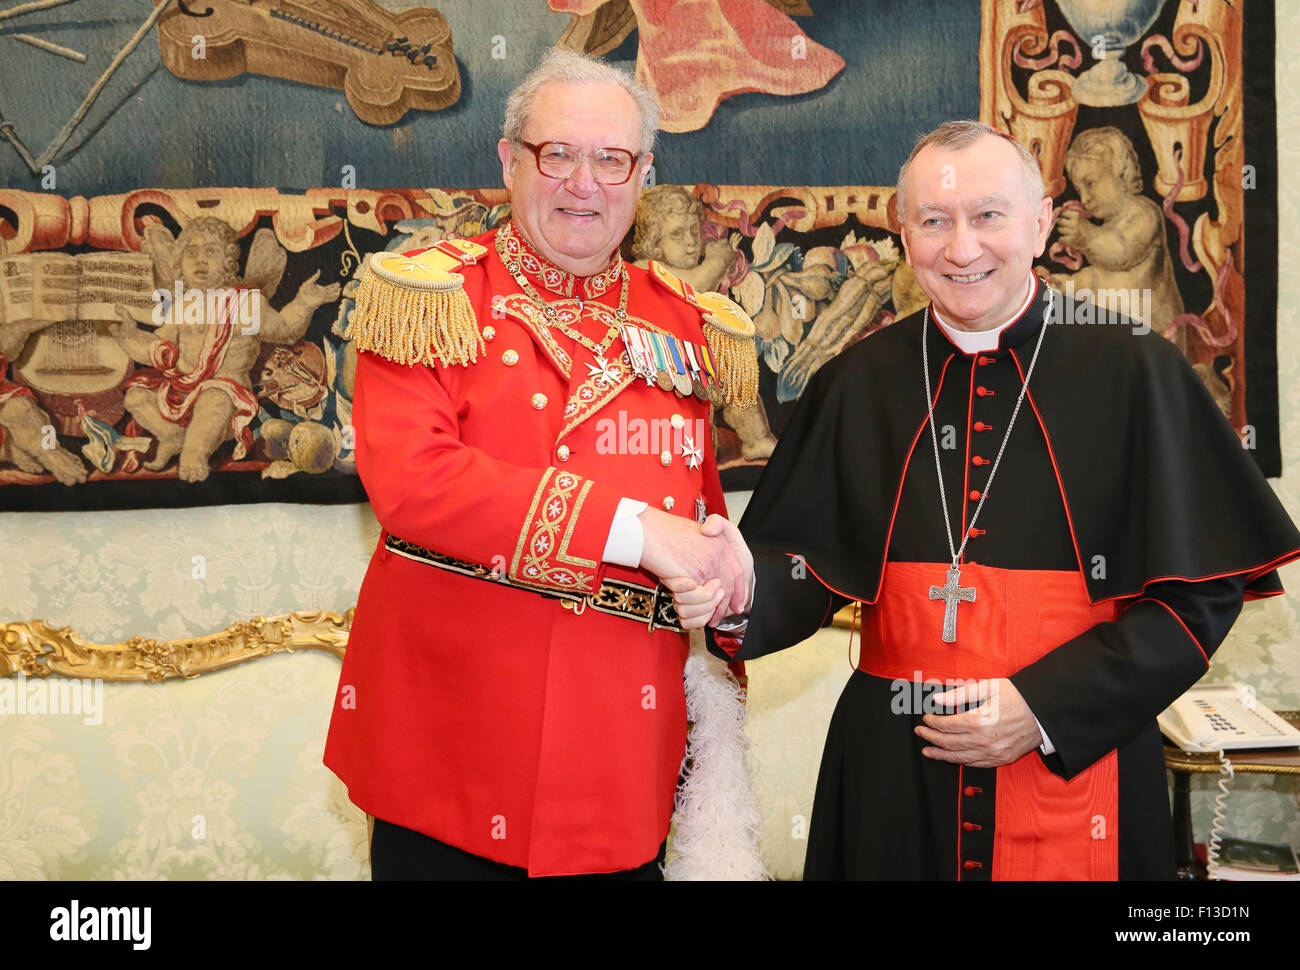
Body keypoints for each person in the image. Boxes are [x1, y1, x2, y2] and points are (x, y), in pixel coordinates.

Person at [676, 120, 1300, 880]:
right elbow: (801, 568)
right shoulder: (858, 382)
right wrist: (736, 588)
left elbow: (1197, 598)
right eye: (935, 222)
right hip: (894, 769)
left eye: (989, 217)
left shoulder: (1138, 374)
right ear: (905, 238)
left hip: (1080, 752)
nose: (962, 248)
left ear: (1040, 224)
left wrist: (1044, 706)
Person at [323, 48, 760, 880]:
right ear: (508, 161)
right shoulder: (431, 298)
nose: (583, 183)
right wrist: (635, 531)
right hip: (449, 764)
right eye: (556, 154)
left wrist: (723, 580)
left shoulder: (687, 324)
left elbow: (697, 514)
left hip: (622, 773)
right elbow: (414, 486)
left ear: (644, 174)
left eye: (611, 160)